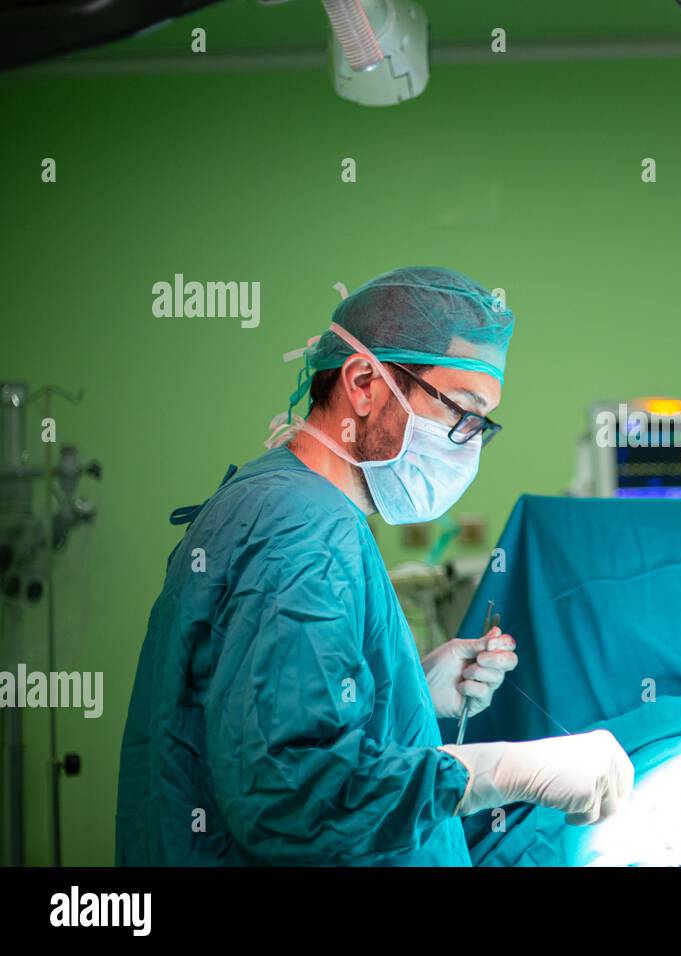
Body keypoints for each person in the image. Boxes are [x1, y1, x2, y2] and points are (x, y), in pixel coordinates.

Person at [116, 267, 633, 866]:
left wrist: (406, 685)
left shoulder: (280, 502)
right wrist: (503, 769)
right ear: (364, 382)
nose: (467, 446)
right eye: (460, 413)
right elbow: (296, 795)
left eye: (482, 426)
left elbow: (259, 706)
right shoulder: (301, 532)